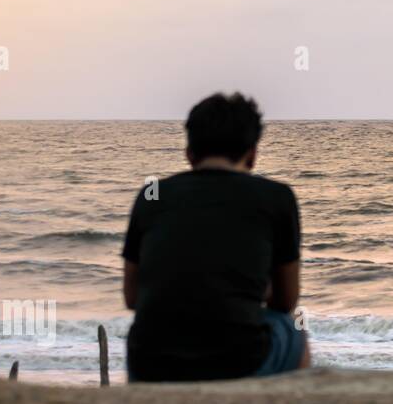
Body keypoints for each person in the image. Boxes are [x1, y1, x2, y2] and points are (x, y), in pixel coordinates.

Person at [121, 92, 309, 381]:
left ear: (189, 152)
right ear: (253, 153)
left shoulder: (151, 195)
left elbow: (133, 297)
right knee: (292, 328)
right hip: (238, 361)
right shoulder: (277, 197)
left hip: (150, 363)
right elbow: (285, 302)